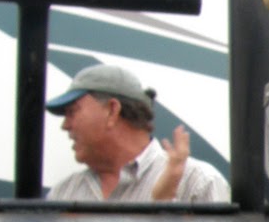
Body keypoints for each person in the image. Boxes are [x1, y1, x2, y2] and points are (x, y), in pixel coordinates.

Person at [45, 64, 229, 203]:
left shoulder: (197, 182)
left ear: (112, 110)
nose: (65, 125)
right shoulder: (62, 194)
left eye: (72, 112)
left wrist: (164, 206)